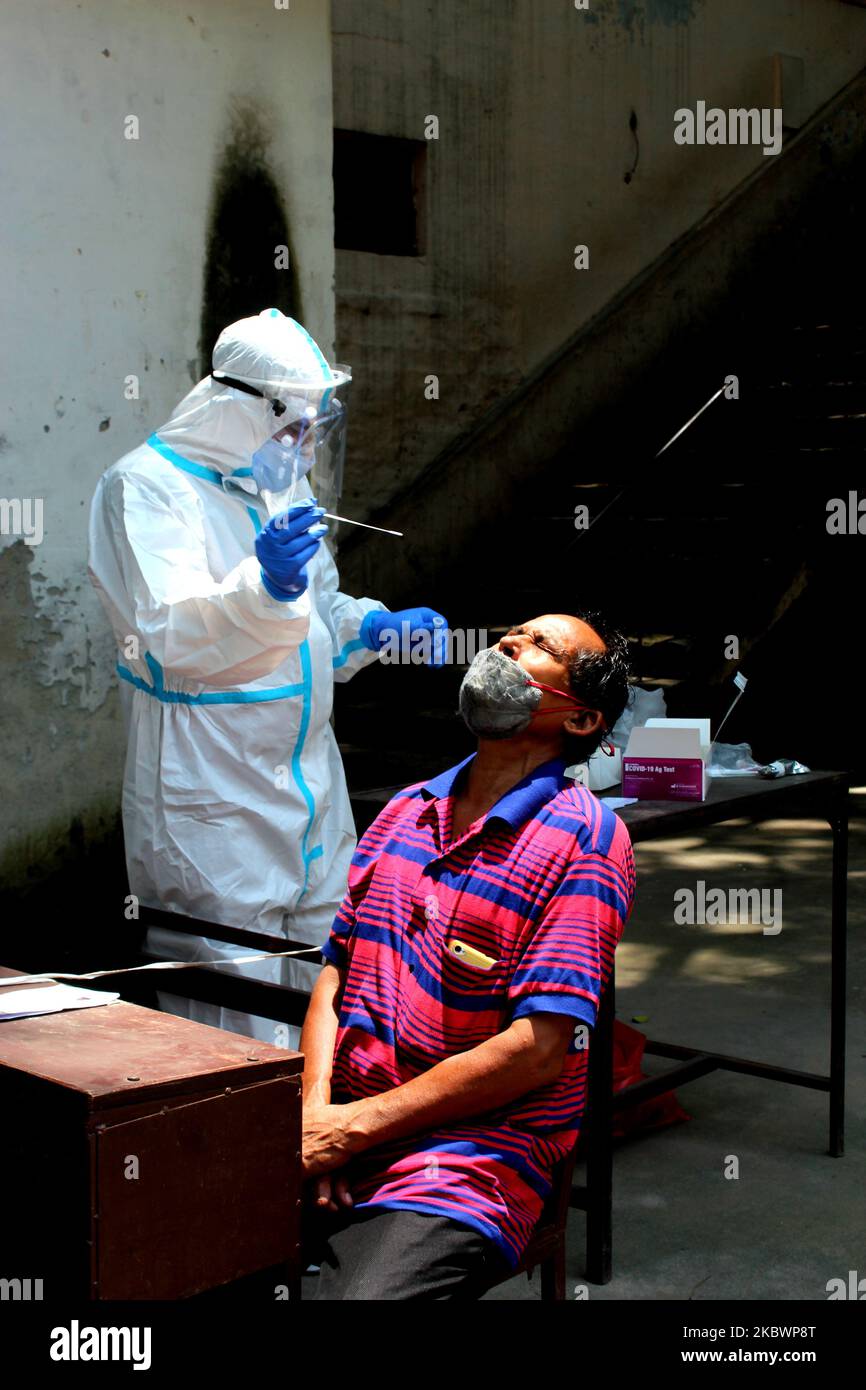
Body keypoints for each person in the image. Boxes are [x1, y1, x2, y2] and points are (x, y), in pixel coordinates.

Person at [88, 308, 447, 1047]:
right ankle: (242, 1160)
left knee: (330, 978)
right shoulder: (146, 489)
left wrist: (366, 628)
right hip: (210, 790)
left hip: (310, 784)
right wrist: (266, 590)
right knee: (233, 1001)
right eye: (291, 429)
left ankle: (327, 1146)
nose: (304, 447)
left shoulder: (280, 483)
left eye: (313, 430)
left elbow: (313, 611)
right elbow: (167, 637)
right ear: (234, 407)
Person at [300, 611, 635, 1299]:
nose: (509, 643)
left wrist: (353, 1131)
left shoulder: (586, 841)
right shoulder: (403, 812)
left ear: (580, 721)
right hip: (341, 1125)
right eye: (509, 633)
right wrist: (317, 1115)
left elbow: (541, 1049)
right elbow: (335, 974)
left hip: (467, 1159)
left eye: (539, 646)